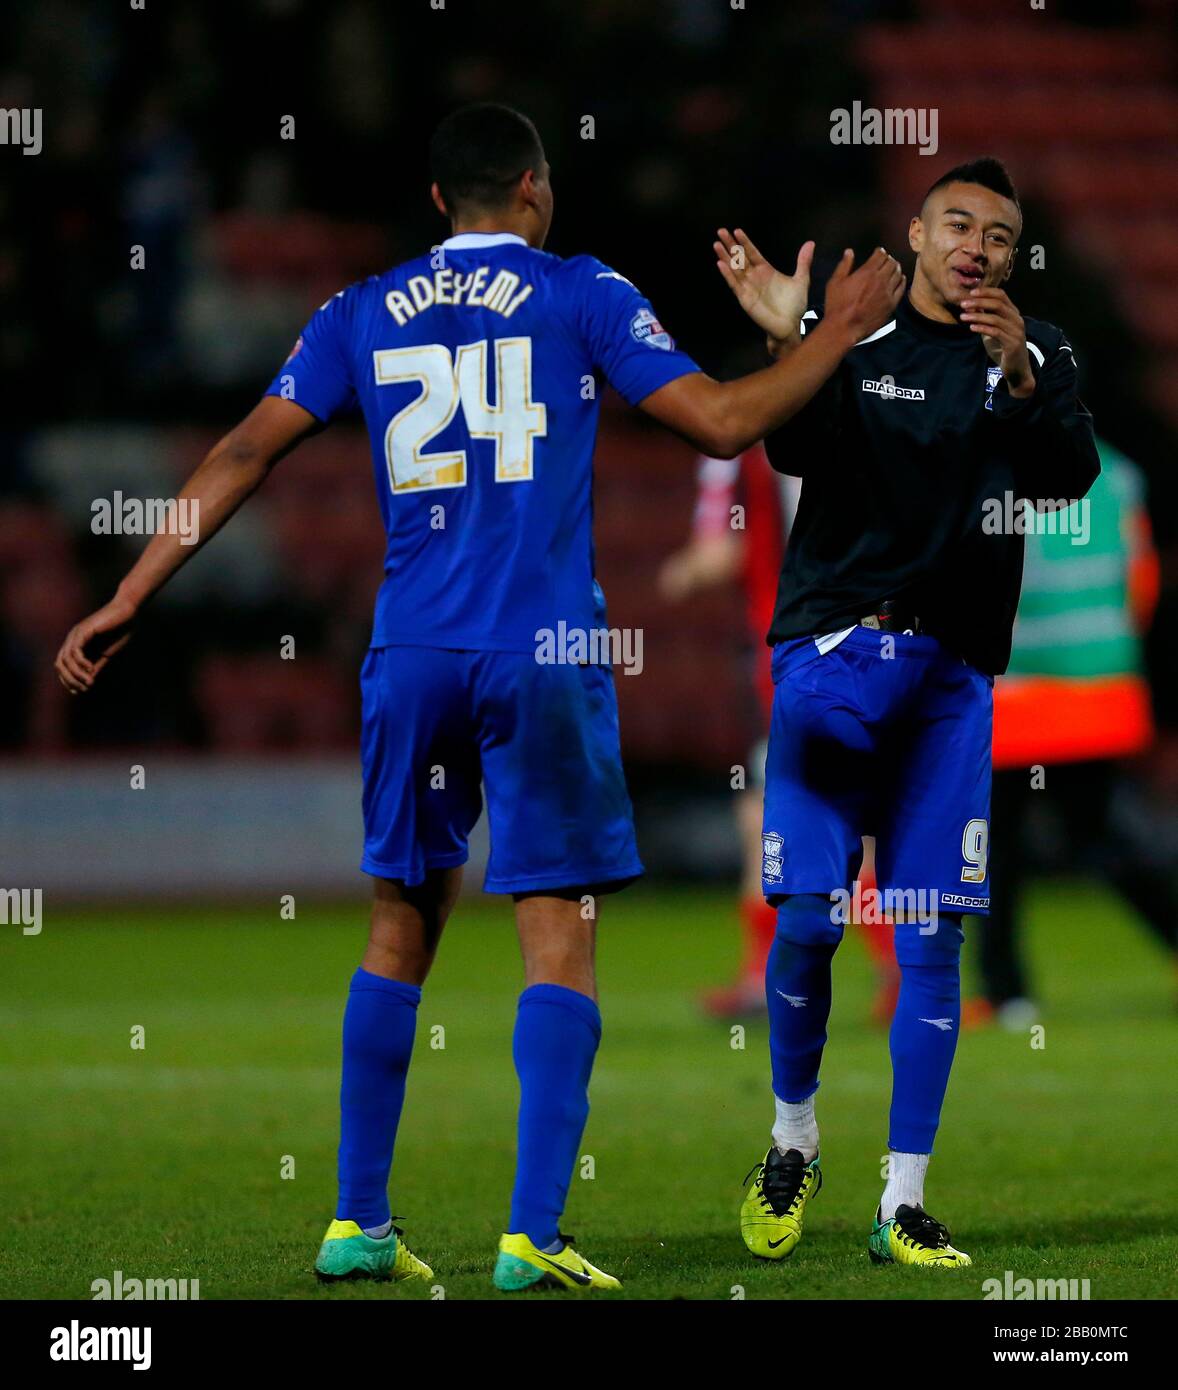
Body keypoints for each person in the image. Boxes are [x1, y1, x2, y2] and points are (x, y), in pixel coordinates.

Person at [55, 102, 903, 1293]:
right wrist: (836, 335)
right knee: (557, 934)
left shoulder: (358, 308)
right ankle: (530, 1233)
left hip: (409, 653)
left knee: (398, 927)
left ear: (436, 201)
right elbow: (720, 417)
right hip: (538, 649)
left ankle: (357, 1220)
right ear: (533, 187)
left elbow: (244, 449)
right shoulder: (579, 291)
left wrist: (130, 591)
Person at [714, 157, 1099, 1268]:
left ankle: (901, 1199)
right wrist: (797, 339)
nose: (976, 247)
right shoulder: (858, 338)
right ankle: (791, 1141)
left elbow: (1066, 476)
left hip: (949, 683)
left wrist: (1020, 376)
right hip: (835, 654)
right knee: (807, 919)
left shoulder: (1035, 353)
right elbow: (789, 446)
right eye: (956, 224)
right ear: (918, 235)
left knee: (931, 935)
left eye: (998, 235)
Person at [978, 437, 1173, 1026]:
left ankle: (1007, 993)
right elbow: (1141, 579)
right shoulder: (1119, 472)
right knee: (1108, 840)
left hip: (1017, 698)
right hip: (1100, 691)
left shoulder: (990, 468)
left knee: (992, 850)